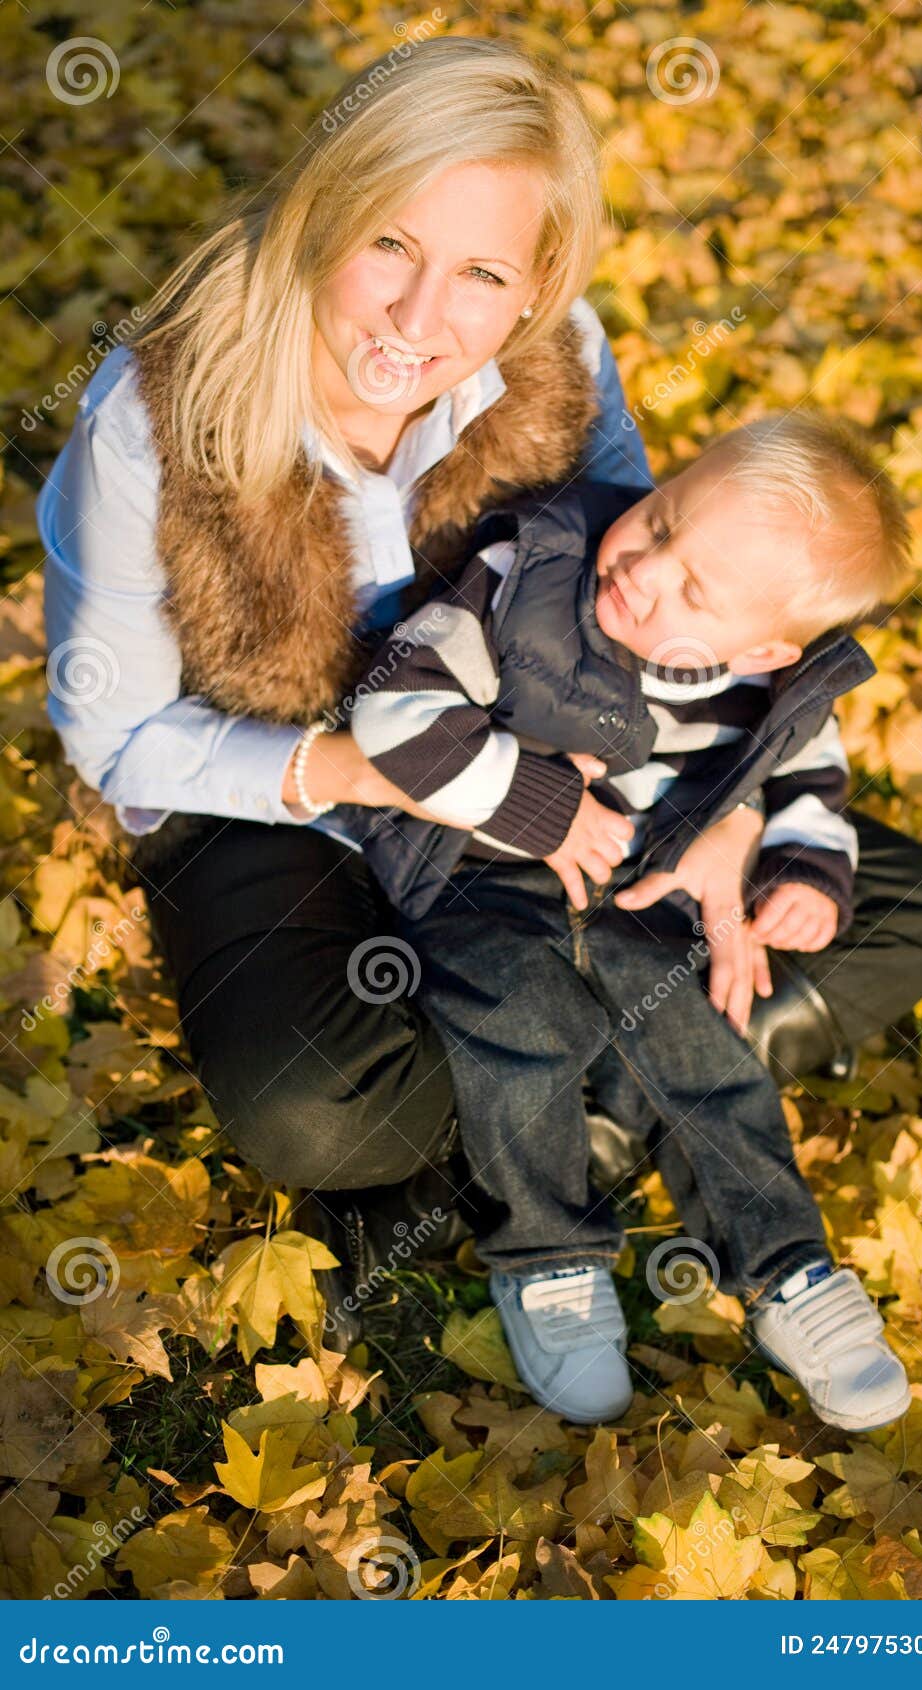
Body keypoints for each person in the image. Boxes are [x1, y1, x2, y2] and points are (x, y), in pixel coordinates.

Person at [38, 38, 656, 1343]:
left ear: (534, 285)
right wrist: (360, 771)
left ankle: (513, 1115)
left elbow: (647, 576)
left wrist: (684, 794)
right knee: (306, 1097)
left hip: (508, 746)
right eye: (388, 244)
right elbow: (118, 734)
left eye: (481, 272)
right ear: (319, 211)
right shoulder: (159, 414)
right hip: (279, 784)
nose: (418, 320)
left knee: (835, 904)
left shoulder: (559, 357)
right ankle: (560, 1102)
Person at [346, 411, 922, 1428]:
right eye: (664, 520)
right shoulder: (527, 576)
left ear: (763, 645)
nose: (643, 568)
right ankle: (547, 1260)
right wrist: (537, 806)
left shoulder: (768, 681)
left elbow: (806, 768)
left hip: (640, 890)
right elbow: (394, 708)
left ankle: (786, 1274)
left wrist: (805, 868)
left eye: (692, 590)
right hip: (479, 874)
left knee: (703, 1057)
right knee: (520, 1025)